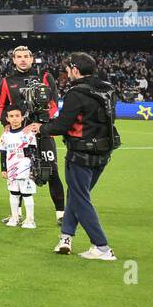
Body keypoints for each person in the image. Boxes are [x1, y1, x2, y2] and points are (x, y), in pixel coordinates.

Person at [26, 52, 118, 260]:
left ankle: (102, 247)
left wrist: (41, 128)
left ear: (75, 70)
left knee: (80, 198)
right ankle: (65, 237)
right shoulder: (108, 88)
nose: (67, 73)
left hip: (80, 154)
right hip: (103, 151)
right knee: (76, 196)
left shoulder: (76, 93)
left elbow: (62, 125)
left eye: (68, 69)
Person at [0, 45, 67, 223]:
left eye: (26, 56)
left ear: (31, 59)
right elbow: (1, 106)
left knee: (52, 171)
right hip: (19, 136)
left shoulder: (45, 77)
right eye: (19, 56)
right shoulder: (7, 81)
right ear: (14, 60)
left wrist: (41, 124)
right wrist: (6, 123)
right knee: (18, 173)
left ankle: (61, 214)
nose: (22, 59)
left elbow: (53, 103)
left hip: (43, 132)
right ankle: (17, 214)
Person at [0, 107, 37, 228]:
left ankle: (30, 220)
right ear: (7, 119)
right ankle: (14, 218)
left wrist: (33, 169)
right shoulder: (5, 135)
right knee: (13, 193)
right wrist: (3, 169)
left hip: (25, 170)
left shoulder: (28, 133)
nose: (14, 119)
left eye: (17, 116)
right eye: (11, 116)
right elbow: (3, 153)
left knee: (27, 194)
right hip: (11, 170)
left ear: (22, 117)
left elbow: (33, 152)